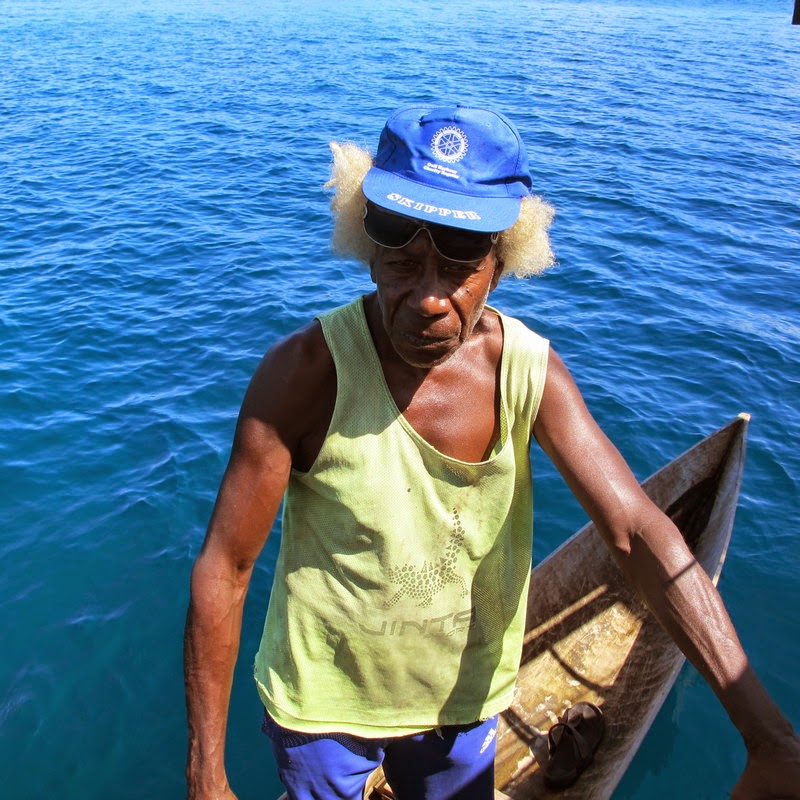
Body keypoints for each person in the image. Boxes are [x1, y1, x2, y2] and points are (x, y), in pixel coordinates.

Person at [184, 104, 800, 800]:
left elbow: (634, 530)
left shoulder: (529, 372)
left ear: (501, 266)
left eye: (458, 266)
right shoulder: (304, 376)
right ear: (367, 247)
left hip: (465, 698)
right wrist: (207, 775)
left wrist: (768, 737)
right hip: (324, 706)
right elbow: (225, 569)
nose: (427, 298)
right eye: (403, 262)